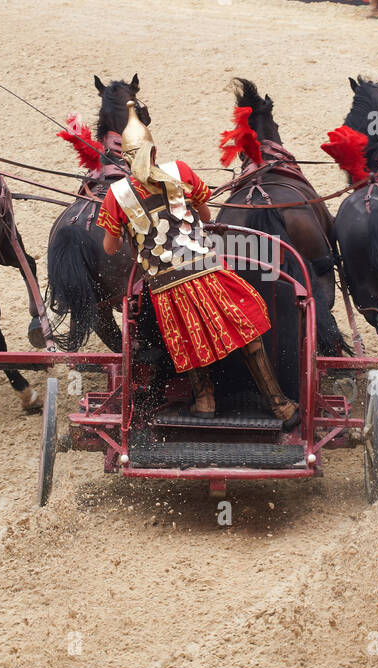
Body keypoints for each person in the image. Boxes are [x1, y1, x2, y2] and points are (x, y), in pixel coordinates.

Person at [98, 101, 300, 429]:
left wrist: (130, 225)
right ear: (154, 150)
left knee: (190, 342)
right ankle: (280, 406)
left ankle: (205, 402)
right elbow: (206, 216)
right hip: (204, 272)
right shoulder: (179, 170)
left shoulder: (116, 194)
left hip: (164, 286)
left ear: (124, 157)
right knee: (247, 327)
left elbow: (109, 248)